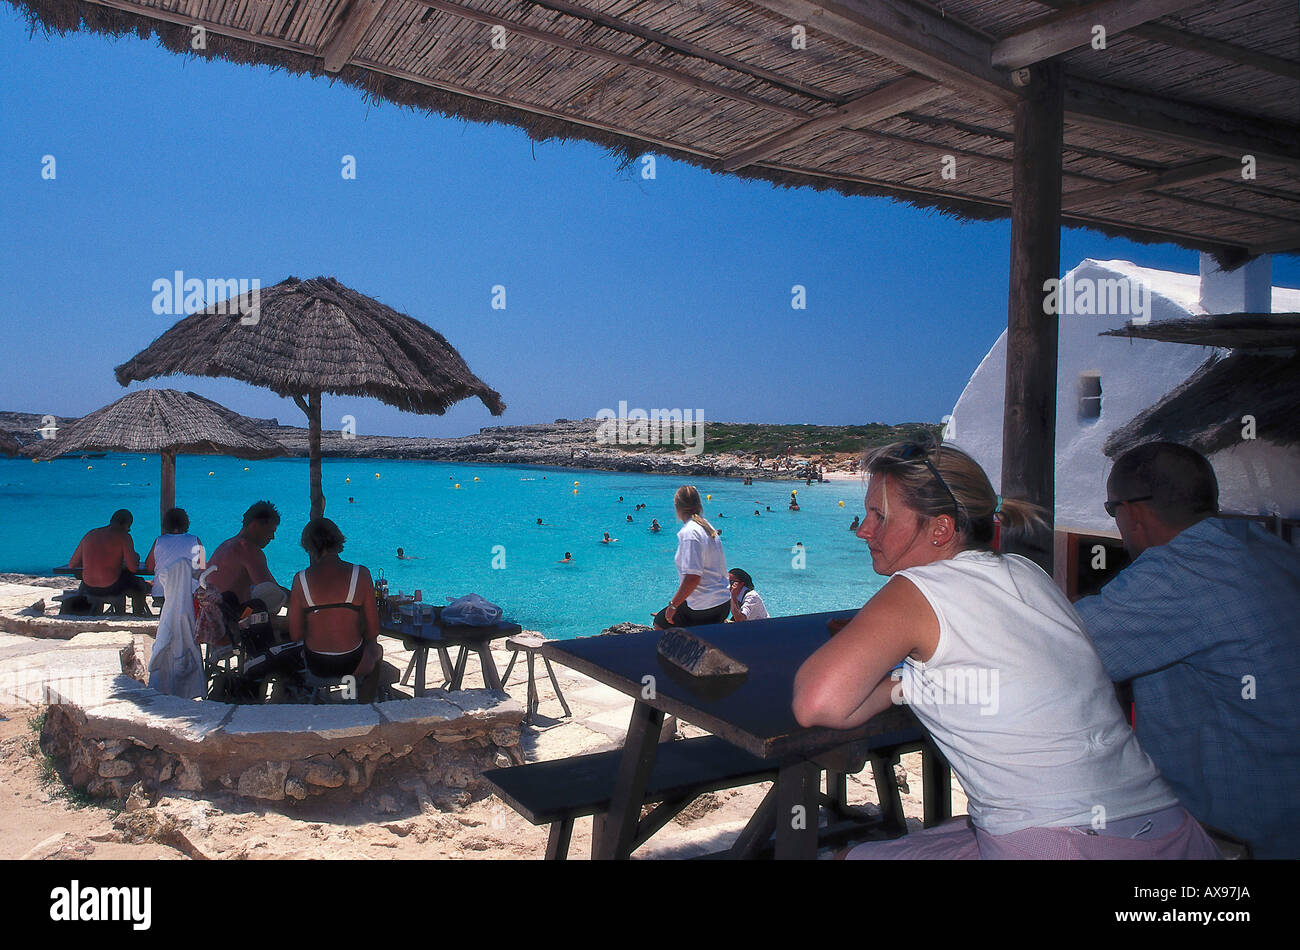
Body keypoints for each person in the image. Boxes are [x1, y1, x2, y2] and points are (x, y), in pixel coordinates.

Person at [793, 440, 1219, 860]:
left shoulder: (916, 590)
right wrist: (906, 683)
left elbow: (816, 704)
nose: (864, 530)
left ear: (940, 529)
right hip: (1168, 831)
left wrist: (898, 682)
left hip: (1064, 843)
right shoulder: (1026, 572)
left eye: (879, 516)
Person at [1074, 442, 1300, 859]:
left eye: (1112, 511)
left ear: (1134, 512)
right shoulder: (1267, 547)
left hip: (1246, 837)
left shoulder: (1178, 572)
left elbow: (1053, 648)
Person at [288, 518, 385, 702]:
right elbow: (374, 630)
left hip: (317, 664)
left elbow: (295, 634)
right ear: (339, 541)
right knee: (375, 649)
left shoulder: (300, 580)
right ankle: (363, 708)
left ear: (309, 546)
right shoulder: (361, 574)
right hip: (353, 662)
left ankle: (337, 698)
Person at [653, 486, 730, 629]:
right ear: (699, 505)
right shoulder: (707, 527)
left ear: (677, 507)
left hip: (704, 608)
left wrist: (673, 606)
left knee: (660, 622)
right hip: (723, 603)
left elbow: (693, 577)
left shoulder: (690, 532)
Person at [206, 501, 287, 616]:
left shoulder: (227, 544)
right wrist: (302, 600)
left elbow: (270, 586)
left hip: (213, 615)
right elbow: (272, 592)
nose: (272, 537)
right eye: (270, 531)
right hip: (230, 621)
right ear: (255, 526)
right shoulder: (248, 549)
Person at [67, 509, 151, 614]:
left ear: (111, 521)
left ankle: (100, 612)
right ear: (127, 525)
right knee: (139, 585)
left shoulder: (91, 534)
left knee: (127, 579)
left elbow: (72, 564)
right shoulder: (124, 536)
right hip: (111, 587)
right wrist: (135, 557)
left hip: (89, 587)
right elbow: (133, 568)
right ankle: (137, 615)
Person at [143, 507, 204, 605]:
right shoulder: (196, 540)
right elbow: (202, 567)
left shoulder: (159, 541)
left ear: (166, 523)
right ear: (186, 523)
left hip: (161, 594)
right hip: (189, 594)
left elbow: (149, 566)